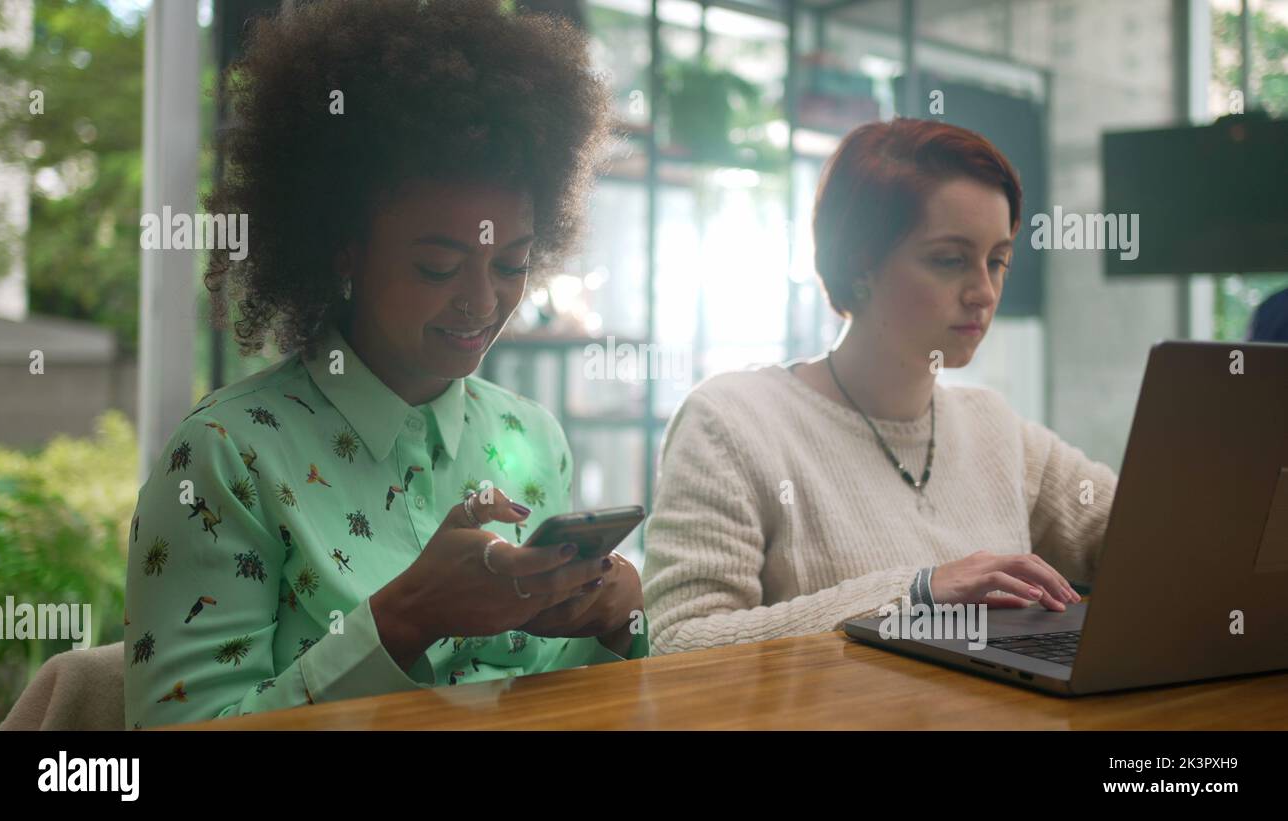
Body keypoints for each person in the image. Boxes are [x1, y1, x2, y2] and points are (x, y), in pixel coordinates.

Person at [124, 0, 645, 730]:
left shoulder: (533, 436)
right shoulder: (225, 461)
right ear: (345, 247)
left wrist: (615, 622)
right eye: (438, 266)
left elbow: (565, 700)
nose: (481, 301)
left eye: (512, 263)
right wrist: (405, 618)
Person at [642, 117, 1116, 654]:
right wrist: (915, 594)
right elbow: (678, 645)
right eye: (950, 260)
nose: (983, 291)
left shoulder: (993, 426)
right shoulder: (731, 422)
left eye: (998, 261)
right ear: (858, 265)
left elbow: (1147, 530)